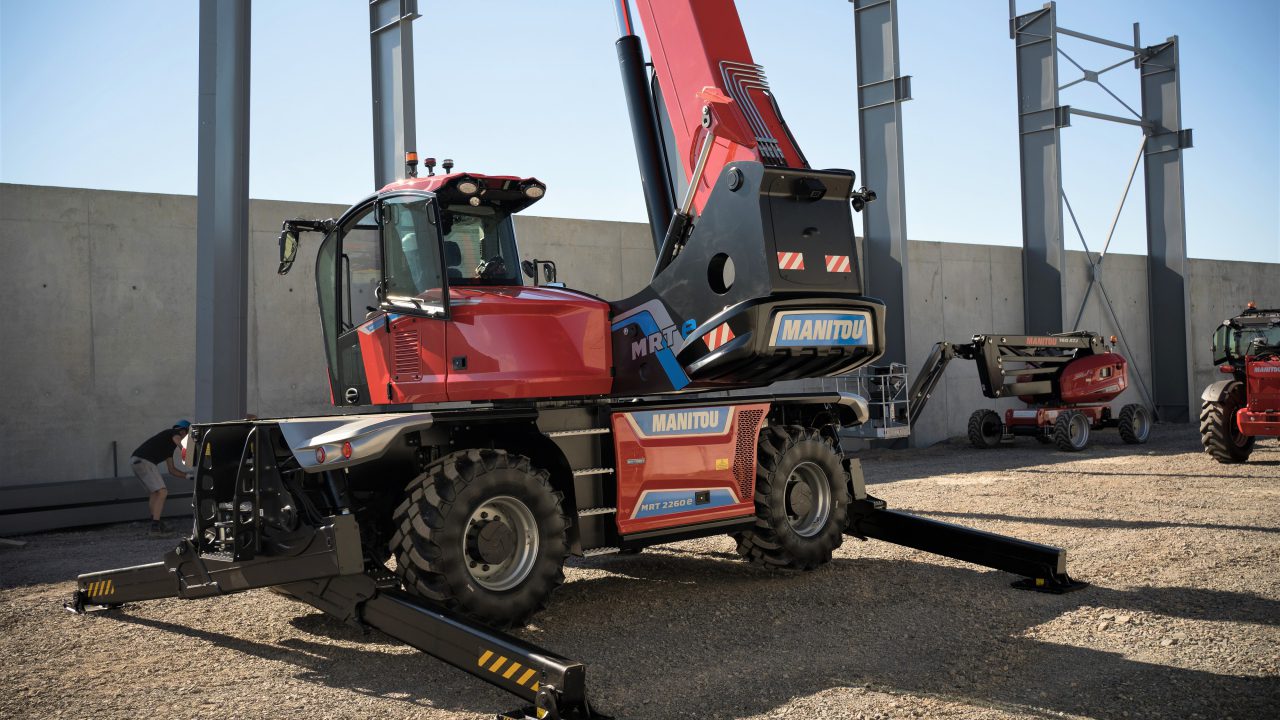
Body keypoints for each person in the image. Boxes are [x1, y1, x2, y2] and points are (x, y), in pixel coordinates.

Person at [130, 420, 191, 535]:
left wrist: (189, 476)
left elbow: (172, 470)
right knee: (162, 492)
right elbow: (179, 441)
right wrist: (191, 452)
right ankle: (155, 527)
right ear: (183, 431)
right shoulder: (173, 432)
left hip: (135, 461)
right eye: (188, 435)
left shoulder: (168, 447)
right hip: (145, 461)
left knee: (155, 493)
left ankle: (155, 522)